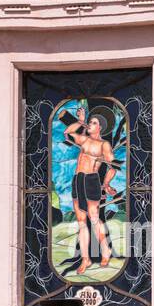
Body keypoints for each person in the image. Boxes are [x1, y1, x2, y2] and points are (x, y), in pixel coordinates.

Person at [67, 105, 116, 273]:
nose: (90, 125)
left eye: (93, 123)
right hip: (78, 180)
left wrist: (106, 184)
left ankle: (105, 250)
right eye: (90, 122)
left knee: (94, 217)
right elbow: (68, 132)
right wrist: (80, 121)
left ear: (100, 127)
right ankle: (85, 259)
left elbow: (113, 166)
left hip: (91, 180)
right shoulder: (84, 140)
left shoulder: (104, 144)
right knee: (81, 222)